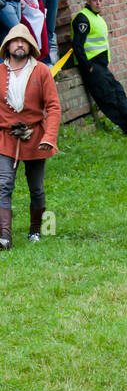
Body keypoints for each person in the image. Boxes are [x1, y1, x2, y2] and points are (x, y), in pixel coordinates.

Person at [0, 25, 58, 249]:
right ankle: (4, 236)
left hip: (34, 137)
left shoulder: (41, 71)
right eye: (15, 41)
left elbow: (53, 106)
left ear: (30, 46)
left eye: (24, 41)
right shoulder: (0, 72)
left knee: (36, 188)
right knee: (3, 185)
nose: (20, 45)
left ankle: (35, 230)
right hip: (6, 138)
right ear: (7, 46)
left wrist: (49, 136)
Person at [72, 0, 127, 136]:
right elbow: (77, 45)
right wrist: (87, 66)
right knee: (107, 97)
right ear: (88, 1)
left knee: (118, 92)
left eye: (101, 0)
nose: (98, 3)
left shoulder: (98, 19)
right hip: (92, 66)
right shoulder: (83, 18)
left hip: (101, 66)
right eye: (95, 0)